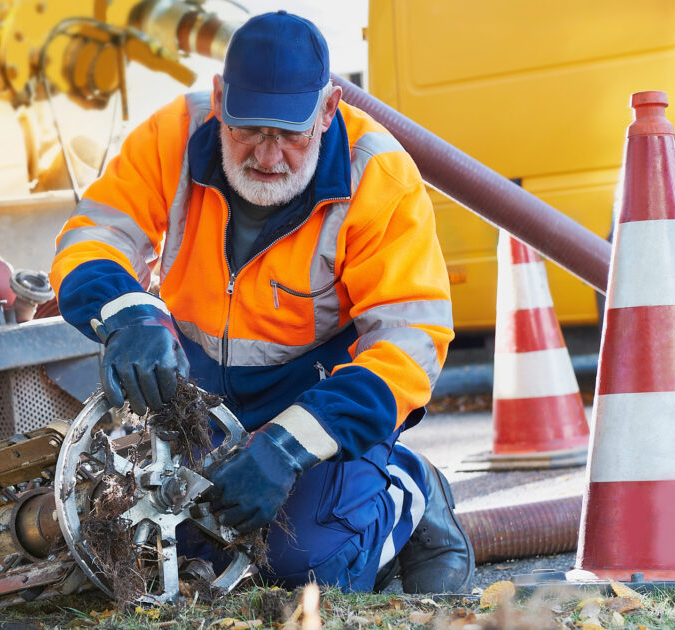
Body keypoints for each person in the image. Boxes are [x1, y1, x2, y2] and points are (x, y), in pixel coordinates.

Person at [49, 10, 473, 592]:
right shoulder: (173, 134)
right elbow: (93, 235)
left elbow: (409, 345)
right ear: (219, 100)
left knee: (305, 569)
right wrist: (130, 315)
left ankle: (407, 489)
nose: (267, 157)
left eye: (290, 134)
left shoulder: (379, 176)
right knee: (149, 544)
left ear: (328, 110)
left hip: (317, 402)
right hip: (198, 394)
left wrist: (287, 447)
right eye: (248, 130)